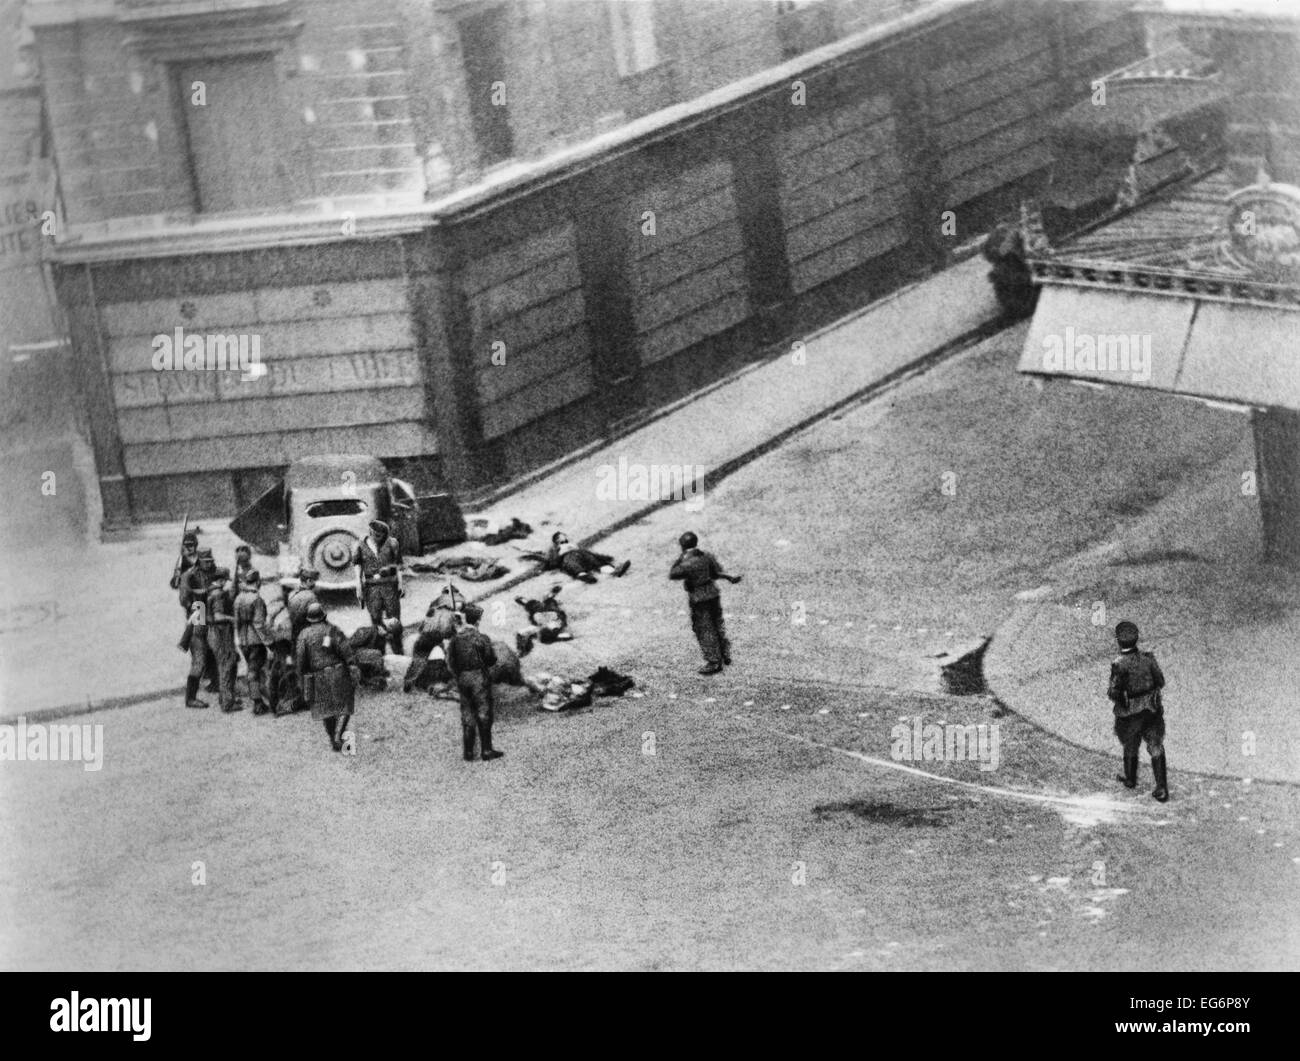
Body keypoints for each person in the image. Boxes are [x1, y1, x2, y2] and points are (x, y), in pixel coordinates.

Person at [1108, 620, 1169, 802]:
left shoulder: (1119, 664)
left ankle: (1130, 779)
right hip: (1152, 709)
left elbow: (1113, 692)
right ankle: (1162, 787)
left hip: (1130, 713)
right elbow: (1161, 681)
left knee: (1130, 744)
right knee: (1155, 745)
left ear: (1118, 640)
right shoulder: (1149, 658)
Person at [669, 531, 742, 675]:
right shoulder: (706, 556)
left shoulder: (686, 562)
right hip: (712, 593)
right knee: (716, 624)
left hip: (698, 597)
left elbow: (673, 573)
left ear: (683, 545)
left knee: (703, 629)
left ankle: (714, 661)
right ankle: (724, 653)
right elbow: (715, 573)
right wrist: (728, 577)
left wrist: (681, 558)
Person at [295, 602, 360, 752]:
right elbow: (346, 650)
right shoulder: (332, 630)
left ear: (309, 619)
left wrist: (302, 678)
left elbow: (300, 661)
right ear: (323, 616)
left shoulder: (303, 635)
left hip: (318, 675)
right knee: (344, 706)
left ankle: (333, 738)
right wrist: (352, 665)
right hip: (338, 672)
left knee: (326, 708)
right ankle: (339, 736)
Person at [444, 603, 502, 762]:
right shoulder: (481, 638)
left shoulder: (455, 640)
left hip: (462, 678)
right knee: (483, 713)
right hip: (478, 677)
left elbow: (450, 662)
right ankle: (486, 751)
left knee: (467, 714)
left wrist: (459, 675)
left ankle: (468, 752)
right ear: (477, 621)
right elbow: (491, 659)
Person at [354, 520, 404, 655]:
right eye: (378, 536)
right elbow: (357, 566)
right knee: (376, 620)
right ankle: (379, 653)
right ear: (371, 533)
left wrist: (400, 583)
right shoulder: (360, 545)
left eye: (383, 536)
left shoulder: (392, 543)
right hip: (371, 587)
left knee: (394, 620)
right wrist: (358, 586)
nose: (381, 539)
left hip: (389, 586)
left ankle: (398, 651)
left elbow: (398, 565)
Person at [180, 546, 219, 693]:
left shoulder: (213, 571)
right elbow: (184, 599)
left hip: (211, 614)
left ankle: (215, 682)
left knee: (214, 649)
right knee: (200, 652)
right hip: (198, 612)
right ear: (199, 562)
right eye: (206, 562)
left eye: (211, 561)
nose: (209, 565)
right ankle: (191, 696)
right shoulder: (189, 576)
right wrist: (196, 606)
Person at [234, 569, 273, 714]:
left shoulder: (239, 598)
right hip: (255, 641)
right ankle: (258, 702)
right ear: (258, 582)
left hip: (243, 641)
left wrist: (238, 639)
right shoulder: (257, 599)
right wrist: (268, 644)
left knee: (253, 670)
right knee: (255, 671)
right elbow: (258, 624)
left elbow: (237, 621)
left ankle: (259, 698)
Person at [205, 568, 242, 712]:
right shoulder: (218, 594)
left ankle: (225, 698)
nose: (226, 583)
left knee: (223, 665)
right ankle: (228, 703)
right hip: (221, 633)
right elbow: (218, 616)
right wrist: (234, 619)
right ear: (221, 579)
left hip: (212, 633)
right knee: (228, 665)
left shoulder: (209, 591)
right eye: (225, 580)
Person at [545, 532, 630, 583]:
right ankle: (584, 576)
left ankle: (614, 571)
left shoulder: (572, 545)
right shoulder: (555, 549)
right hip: (567, 557)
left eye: (564, 536)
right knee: (573, 565)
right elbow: (553, 561)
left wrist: (603, 557)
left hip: (581, 554)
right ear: (556, 541)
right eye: (561, 537)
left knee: (594, 560)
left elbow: (589, 553)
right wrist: (557, 557)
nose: (565, 537)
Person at [287, 568, 321, 644]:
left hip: (294, 633)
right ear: (308, 581)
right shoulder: (311, 597)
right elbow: (317, 619)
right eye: (314, 580)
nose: (315, 583)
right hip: (306, 635)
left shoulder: (292, 594)